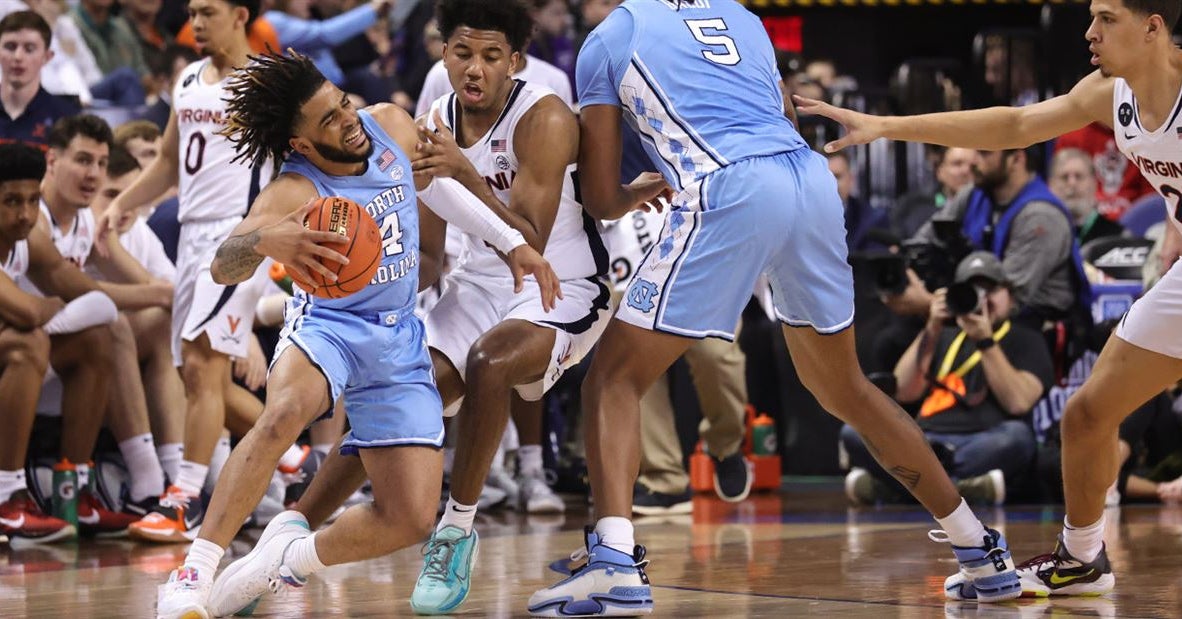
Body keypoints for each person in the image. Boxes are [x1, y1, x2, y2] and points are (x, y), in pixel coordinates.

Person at [529, 0, 1024, 615]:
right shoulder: (742, 15)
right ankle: (979, 549)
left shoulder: (611, 35)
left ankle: (612, 564)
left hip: (731, 184)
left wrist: (639, 190)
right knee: (847, 390)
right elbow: (785, 116)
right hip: (810, 182)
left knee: (613, 378)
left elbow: (601, 196)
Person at [150, 49, 559, 618]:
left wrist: (513, 243)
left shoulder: (388, 122)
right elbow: (223, 264)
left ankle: (282, 563)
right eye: (330, 121)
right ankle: (193, 573)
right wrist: (267, 243)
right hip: (330, 326)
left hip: (398, 335)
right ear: (301, 144)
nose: (348, 119)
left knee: (412, 517)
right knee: (285, 411)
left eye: (341, 103)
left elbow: (441, 190)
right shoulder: (295, 191)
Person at [795, 0, 1182, 598]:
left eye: (1107, 18)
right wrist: (886, 127)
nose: (1090, 32)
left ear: (1154, 27)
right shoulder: (1112, 93)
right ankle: (1082, 558)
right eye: (1091, 16)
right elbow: (1013, 125)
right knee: (1086, 415)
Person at [96, 0, 294, 545]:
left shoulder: (268, 81)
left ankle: (182, 501)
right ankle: (290, 447)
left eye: (207, 12)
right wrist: (125, 204)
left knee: (205, 364)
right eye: (192, 12)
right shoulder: (186, 77)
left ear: (240, 14)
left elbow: (302, 159)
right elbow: (165, 160)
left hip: (241, 234)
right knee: (195, 375)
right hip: (191, 236)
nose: (196, 23)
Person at [844, 252, 1050, 507]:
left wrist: (985, 340)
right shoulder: (942, 332)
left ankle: (900, 490)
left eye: (990, 289)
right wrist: (931, 327)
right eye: (971, 289)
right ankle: (962, 489)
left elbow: (1018, 402)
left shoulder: (1025, 337)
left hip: (980, 441)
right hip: (925, 442)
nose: (981, 298)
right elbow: (904, 391)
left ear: (1009, 295)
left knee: (1018, 438)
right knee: (853, 431)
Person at [0, 10, 80, 149]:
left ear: (47, 57)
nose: (18, 57)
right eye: (10, 47)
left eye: (29, 49)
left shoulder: (66, 117)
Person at [1049, 147, 1126, 245]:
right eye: (1064, 177)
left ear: (1094, 184)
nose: (1072, 183)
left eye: (1079, 176)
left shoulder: (1116, 236)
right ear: (1051, 185)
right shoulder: (1039, 232)